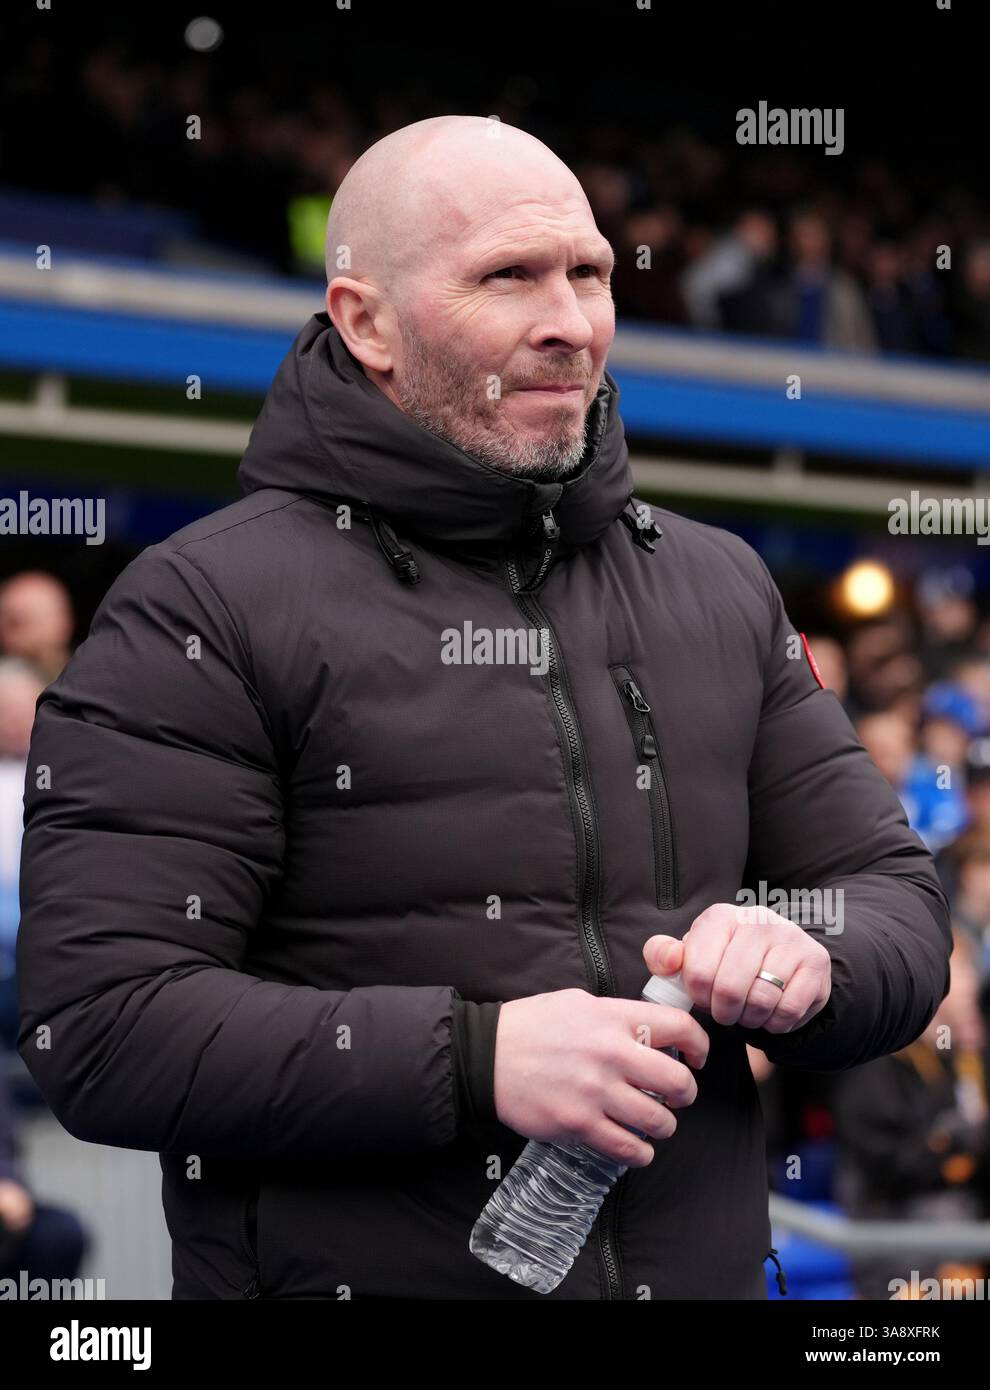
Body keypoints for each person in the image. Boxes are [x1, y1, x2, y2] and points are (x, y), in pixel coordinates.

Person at [15, 115, 951, 1301]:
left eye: (591, 272)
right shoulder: (199, 603)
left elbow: (902, 913)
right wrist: (475, 1057)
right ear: (367, 323)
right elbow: (101, 1025)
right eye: (507, 276)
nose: (571, 321)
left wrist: (812, 948)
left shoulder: (719, 585)